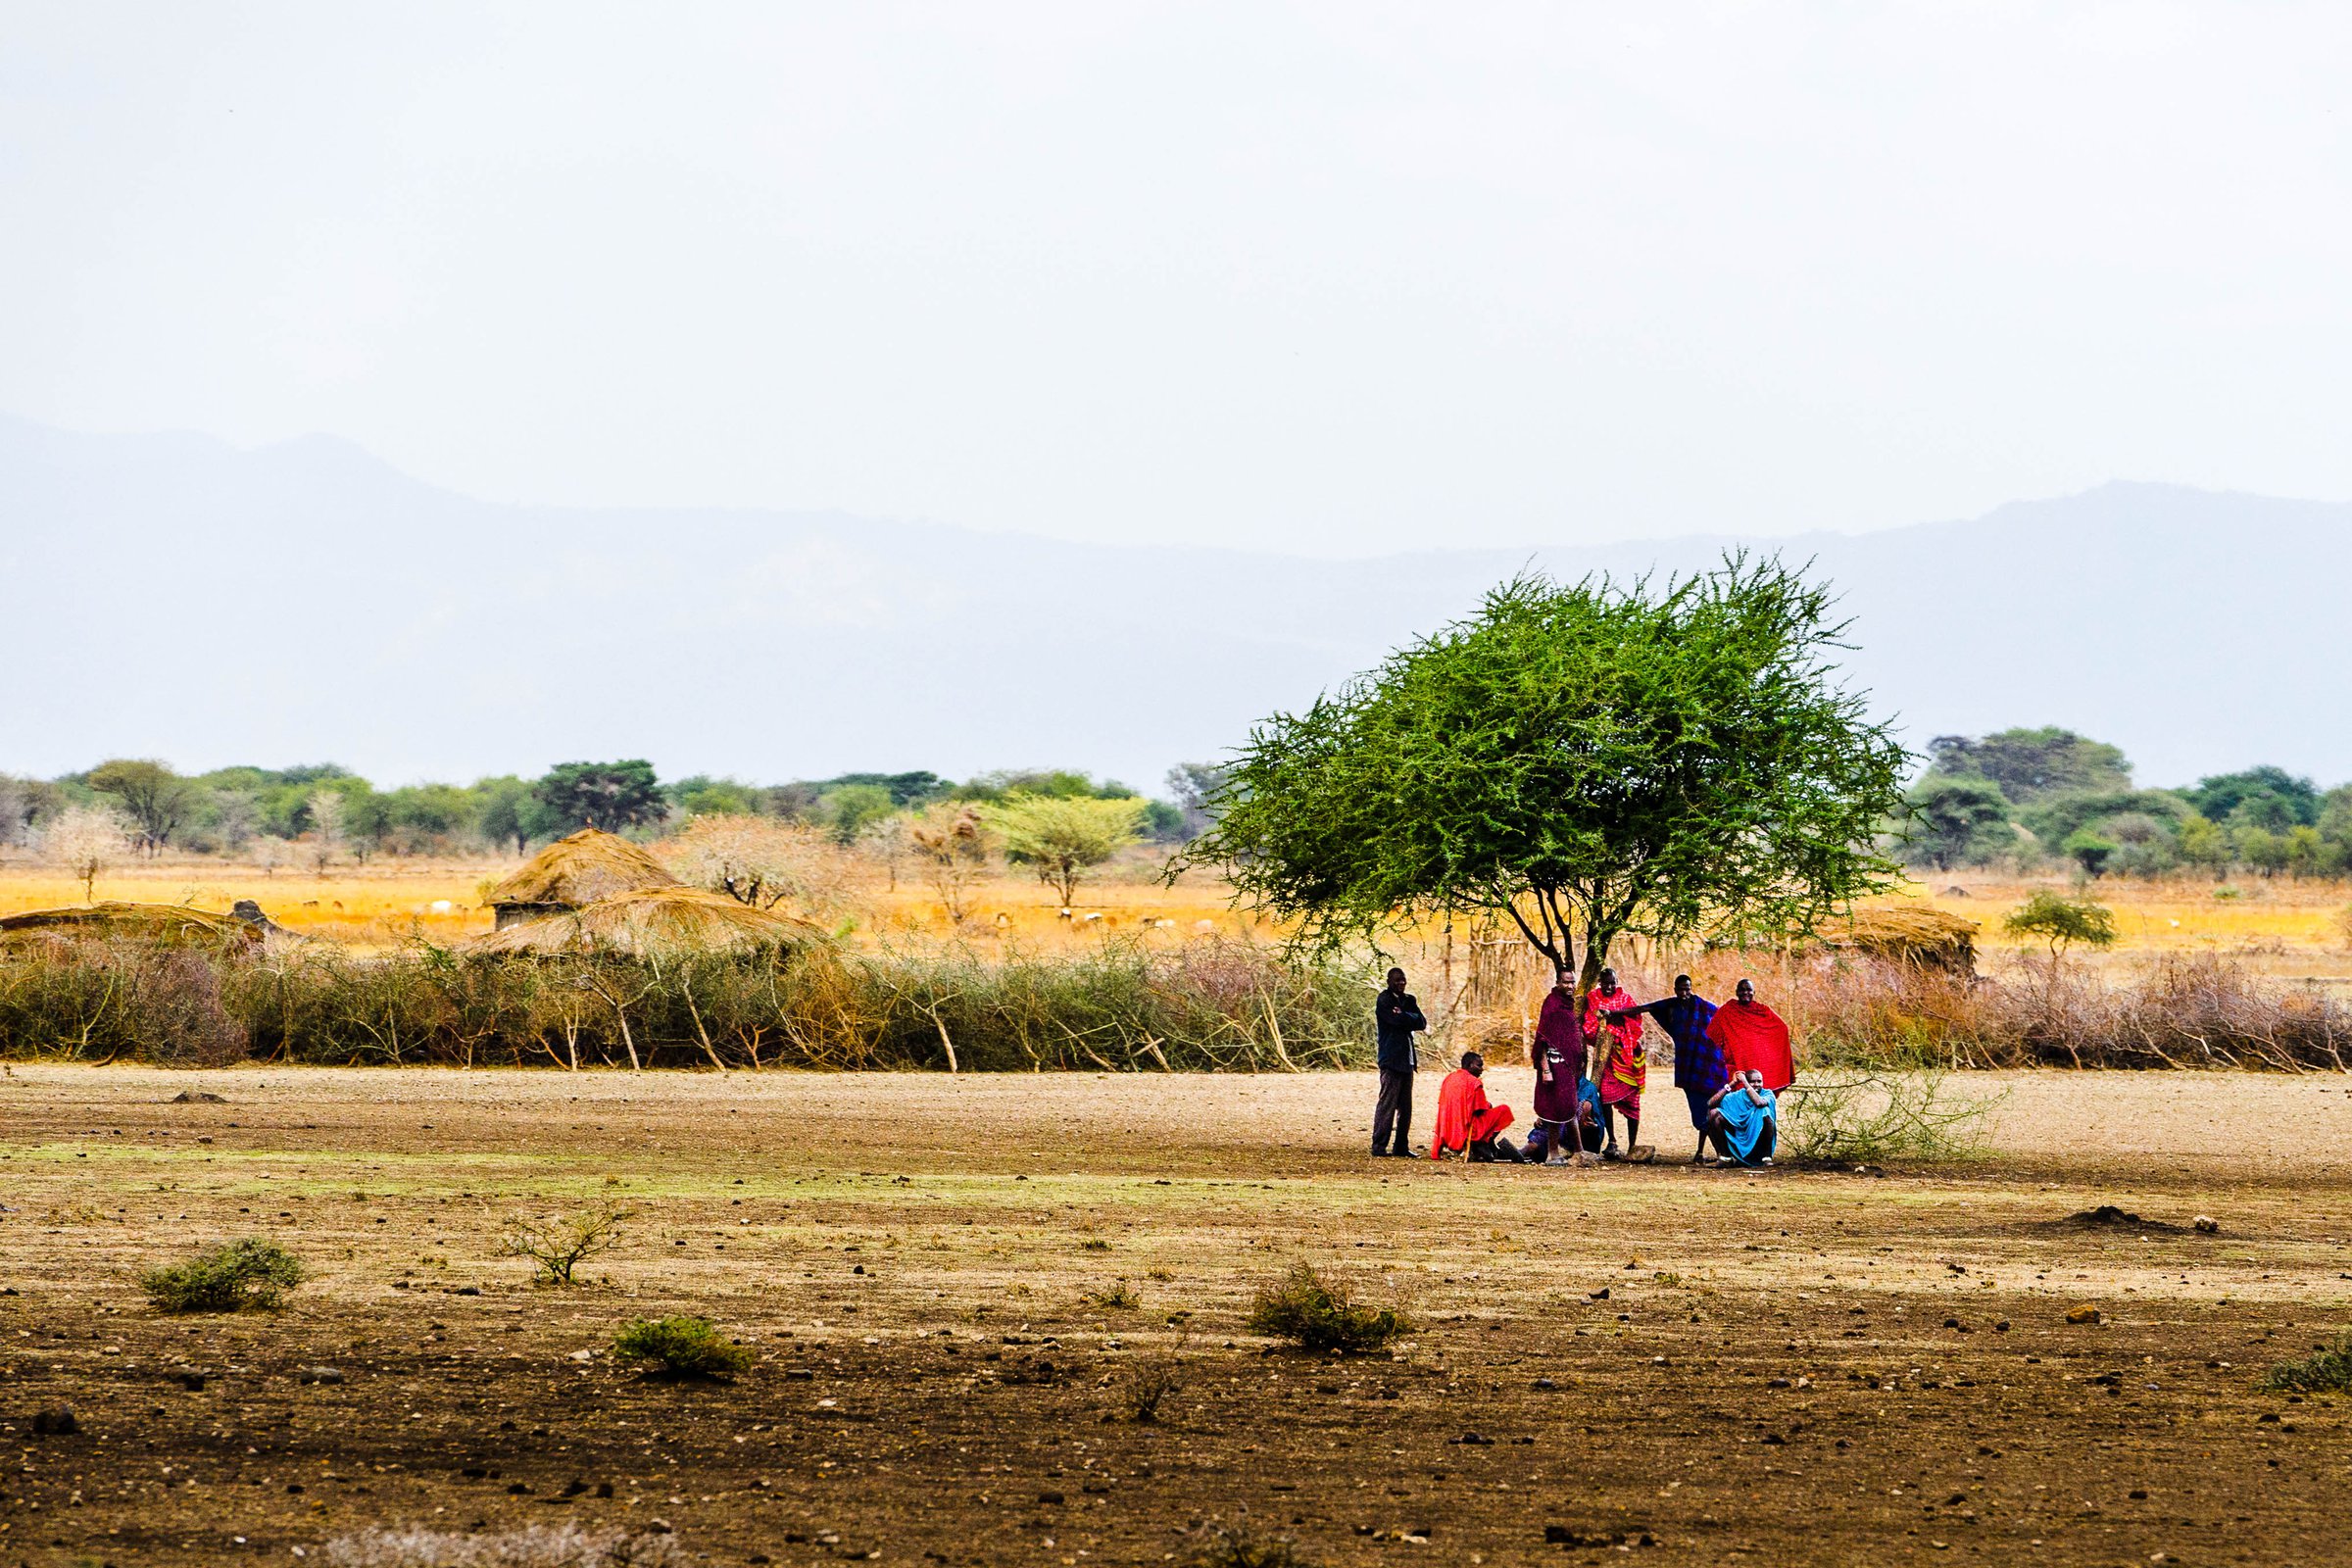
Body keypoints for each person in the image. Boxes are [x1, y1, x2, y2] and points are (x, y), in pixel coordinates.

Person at [1609, 974, 1722, 1164]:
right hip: (1687, 1067)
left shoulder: (1704, 1007)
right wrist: (1614, 1013)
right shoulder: (1672, 1005)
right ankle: (1706, 1154)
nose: (1684, 993)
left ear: (1691, 988)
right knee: (1698, 1110)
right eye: (1680, 989)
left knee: (1710, 1107)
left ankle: (1714, 1153)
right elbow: (1645, 1008)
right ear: (1675, 989)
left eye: (1687, 989)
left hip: (1706, 1065)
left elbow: (1721, 1018)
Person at [1582, 965, 1646, 1159]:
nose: (1609, 987)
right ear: (1600, 982)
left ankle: (1632, 1145)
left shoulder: (1625, 999)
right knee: (1606, 1098)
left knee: (1633, 1102)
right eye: (1605, 983)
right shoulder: (1592, 999)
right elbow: (1588, 1026)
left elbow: (1636, 1019)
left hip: (1627, 1057)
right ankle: (1612, 1141)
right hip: (1606, 1058)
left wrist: (1616, 1019)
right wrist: (1606, 1024)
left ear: (1616, 983)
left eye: (1613, 983)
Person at [1529, 967, 1587, 1166]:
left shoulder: (1568, 1005)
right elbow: (1542, 1039)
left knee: (1568, 1107)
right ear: (1557, 983)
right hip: (1553, 1066)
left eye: (1572, 982)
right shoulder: (1551, 1005)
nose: (1570, 986)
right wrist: (1545, 1069)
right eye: (1566, 982)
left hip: (1568, 1066)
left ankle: (1574, 1152)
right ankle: (1555, 1153)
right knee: (1558, 1108)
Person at [1371, 967, 1427, 1157]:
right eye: (1396, 981)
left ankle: (1401, 1146)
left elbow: (1421, 1022)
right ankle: (1379, 1146)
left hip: (1408, 1060)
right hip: (1390, 1060)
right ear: (1389, 981)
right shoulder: (1384, 999)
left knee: (1406, 1107)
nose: (1400, 983)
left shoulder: (1409, 1000)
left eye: (1403, 980)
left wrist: (1403, 1015)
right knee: (1387, 1104)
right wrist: (1406, 1017)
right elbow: (1394, 1020)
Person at [1430, 1051, 1521, 1163]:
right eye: (1479, 1065)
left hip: (1446, 1129)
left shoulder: (1449, 1078)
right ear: (1469, 1065)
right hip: (1466, 1131)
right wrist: (1488, 1105)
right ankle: (1480, 1144)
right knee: (1504, 1110)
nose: (1482, 1069)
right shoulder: (1474, 1082)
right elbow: (1480, 1110)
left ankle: (1486, 1145)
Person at [1706, 978, 1794, 1093]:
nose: (1745, 993)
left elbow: (1781, 1028)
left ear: (1754, 992)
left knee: (1761, 1099)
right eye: (1742, 990)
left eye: (1749, 990)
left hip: (1760, 1065)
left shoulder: (1763, 1011)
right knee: (1739, 1100)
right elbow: (1712, 1032)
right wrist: (1728, 1048)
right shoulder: (1727, 1010)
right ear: (1736, 992)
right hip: (1736, 1065)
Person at [1705, 1067, 1778, 1167]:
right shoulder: (1738, 1095)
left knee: (1765, 1111)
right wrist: (1732, 1083)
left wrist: (1745, 1082)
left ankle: (1766, 1157)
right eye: (1752, 1081)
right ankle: (1726, 1158)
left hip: (1758, 1142)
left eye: (1759, 1081)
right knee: (1714, 1113)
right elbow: (1710, 1103)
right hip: (1740, 1135)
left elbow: (1759, 1103)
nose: (1756, 1084)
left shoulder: (1767, 1093)